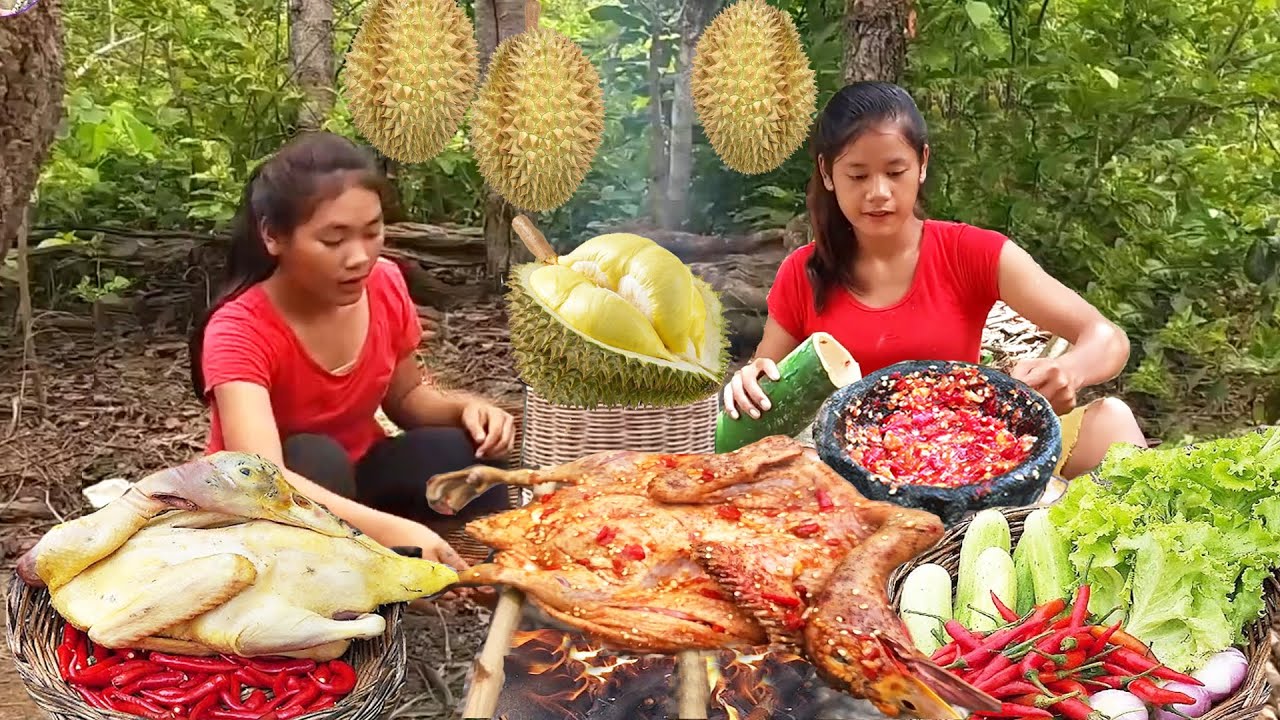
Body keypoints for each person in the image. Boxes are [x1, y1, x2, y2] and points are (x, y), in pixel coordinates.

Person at [723, 82, 1148, 480]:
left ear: (922, 165)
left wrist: (1069, 371)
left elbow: (1107, 336)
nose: (878, 192)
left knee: (1112, 421)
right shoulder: (803, 272)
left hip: (968, 458)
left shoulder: (970, 253)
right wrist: (750, 380)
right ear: (828, 173)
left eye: (895, 171)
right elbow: (767, 377)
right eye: (857, 175)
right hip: (850, 476)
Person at [188, 131, 516, 571]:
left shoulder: (383, 282)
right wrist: (396, 531)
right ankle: (351, 570)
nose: (359, 257)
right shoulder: (239, 329)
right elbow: (263, 477)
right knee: (315, 456)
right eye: (334, 240)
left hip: (357, 485)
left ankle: (425, 560)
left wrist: (467, 410)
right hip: (265, 509)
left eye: (372, 232)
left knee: (465, 453)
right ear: (273, 236)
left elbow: (406, 398)